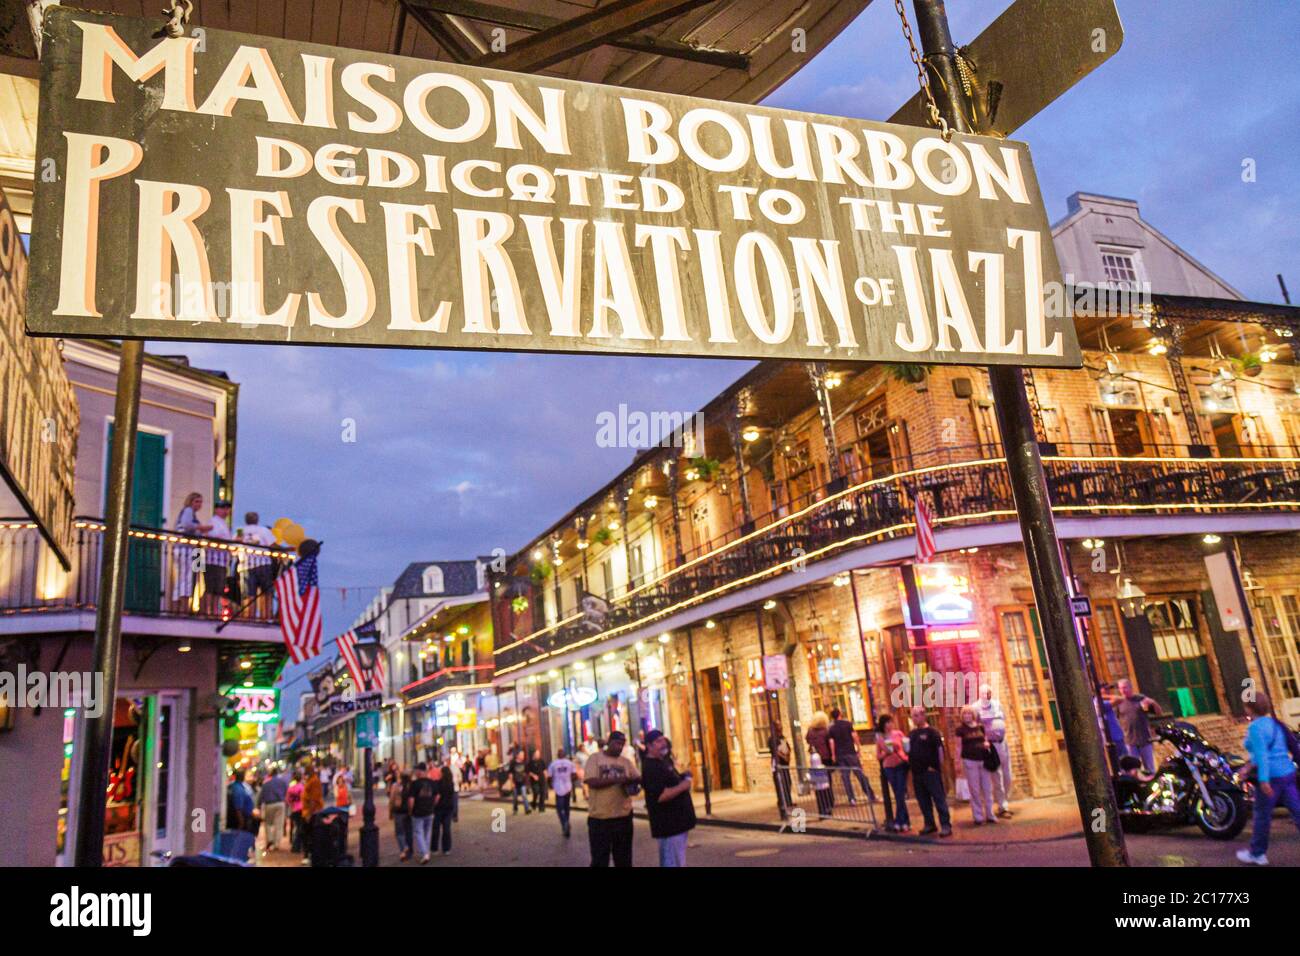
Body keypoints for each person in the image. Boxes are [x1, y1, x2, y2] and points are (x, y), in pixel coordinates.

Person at [1237, 692, 1300, 865]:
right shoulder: (1274, 723)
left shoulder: (1255, 728)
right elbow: (1273, 750)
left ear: (1249, 708)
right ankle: (1257, 852)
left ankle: (1257, 853)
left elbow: (1263, 755)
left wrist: (1263, 779)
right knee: (1297, 811)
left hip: (1271, 776)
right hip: (1287, 773)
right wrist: (1249, 766)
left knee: (1262, 815)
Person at [584, 731, 639, 867]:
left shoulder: (626, 762)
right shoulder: (595, 758)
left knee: (624, 859)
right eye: (617, 743)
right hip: (600, 819)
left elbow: (637, 778)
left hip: (623, 817)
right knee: (600, 859)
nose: (620, 747)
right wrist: (617, 779)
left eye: (622, 744)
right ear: (609, 743)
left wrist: (633, 785)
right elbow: (592, 781)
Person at [641, 730, 696, 867]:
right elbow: (660, 796)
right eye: (658, 741)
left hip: (678, 823)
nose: (663, 743)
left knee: (678, 861)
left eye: (663, 740)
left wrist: (683, 777)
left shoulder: (663, 761)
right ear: (649, 746)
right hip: (669, 825)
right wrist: (683, 786)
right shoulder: (650, 767)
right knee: (672, 862)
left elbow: (671, 781)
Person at [908, 706, 952, 837]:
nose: (914, 718)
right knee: (923, 800)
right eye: (913, 716)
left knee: (938, 799)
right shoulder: (912, 734)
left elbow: (940, 751)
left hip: (930, 771)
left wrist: (937, 767)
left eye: (916, 715)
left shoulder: (932, 732)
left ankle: (945, 825)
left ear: (923, 715)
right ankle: (929, 824)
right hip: (917, 772)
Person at [956, 706, 997, 826]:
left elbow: (985, 739)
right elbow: (958, 747)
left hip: (983, 760)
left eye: (969, 714)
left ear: (973, 715)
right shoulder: (960, 730)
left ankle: (990, 814)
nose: (967, 716)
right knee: (974, 790)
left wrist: (986, 744)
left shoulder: (980, 727)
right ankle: (978, 816)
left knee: (987, 788)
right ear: (962, 716)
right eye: (965, 714)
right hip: (970, 761)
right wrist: (957, 763)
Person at [977, 686, 1013, 819]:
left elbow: (1003, 719)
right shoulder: (976, 708)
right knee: (997, 776)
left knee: (1008, 774)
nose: (987, 695)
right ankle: (1002, 806)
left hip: (1002, 742)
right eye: (984, 693)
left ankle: (1004, 801)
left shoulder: (997, 704)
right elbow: (976, 727)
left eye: (989, 693)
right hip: (991, 746)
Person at [1111, 679, 1160, 772]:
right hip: (1129, 741)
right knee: (1133, 770)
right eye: (1121, 688)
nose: (1123, 690)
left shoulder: (1141, 699)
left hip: (1145, 739)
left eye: (1125, 688)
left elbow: (1158, 713)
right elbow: (1116, 720)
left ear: (1131, 687)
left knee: (1149, 768)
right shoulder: (1118, 703)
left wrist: (1153, 702)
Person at [827, 707, 871, 806]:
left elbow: (831, 742)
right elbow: (854, 736)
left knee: (846, 778)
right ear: (840, 714)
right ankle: (870, 795)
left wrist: (833, 755)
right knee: (860, 774)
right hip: (851, 753)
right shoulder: (847, 724)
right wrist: (859, 749)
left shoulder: (832, 728)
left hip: (840, 755)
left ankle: (851, 799)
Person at [875, 713, 910, 833]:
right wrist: (886, 753)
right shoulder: (880, 738)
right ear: (883, 725)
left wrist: (903, 752)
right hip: (888, 767)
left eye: (891, 722)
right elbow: (878, 756)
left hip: (900, 764)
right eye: (887, 722)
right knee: (897, 793)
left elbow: (906, 747)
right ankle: (904, 821)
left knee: (900, 792)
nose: (890, 725)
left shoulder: (898, 734)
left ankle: (899, 821)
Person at [237, 511, 277, 613]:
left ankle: (250, 616)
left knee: (249, 594)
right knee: (266, 593)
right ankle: (266, 616)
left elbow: (234, 548)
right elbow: (272, 545)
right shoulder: (263, 530)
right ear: (257, 520)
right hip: (263, 564)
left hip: (245, 565)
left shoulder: (240, 531)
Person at [201, 499, 235, 615]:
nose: (226, 511)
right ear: (217, 509)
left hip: (221, 561)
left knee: (218, 589)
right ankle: (207, 611)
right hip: (212, 560)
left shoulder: (223, 524)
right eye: (223, 508)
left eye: (227, 509)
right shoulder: (213, 522)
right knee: (210, 587)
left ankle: (215, 611)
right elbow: (211, 537)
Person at [407, 762, 438, 864]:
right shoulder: (432, 783)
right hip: (429, 811)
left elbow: (411, 800)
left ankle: (425, 853)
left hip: (418, 812)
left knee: (418, 832)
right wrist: (433, 805)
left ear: (420, 771)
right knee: (427, 833)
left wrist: (410, 811)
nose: (416, 772)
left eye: (417, 771)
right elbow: (437, 796)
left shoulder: (415, 784)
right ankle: (426, 852)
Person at [804, 711, 835, 811]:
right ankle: (829, 802)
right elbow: (829, 743)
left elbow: (807, 740)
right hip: (825, 758)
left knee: (818, 784)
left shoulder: (810, 731)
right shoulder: (826, 731)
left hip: (815, 759)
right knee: (827, 782)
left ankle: (822, 806)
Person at [547, 748, 578, 838]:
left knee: (559, 808)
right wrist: (569, 780)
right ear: (565, 754)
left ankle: (564, 823)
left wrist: (550, 785)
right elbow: (575, 775)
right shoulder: (570, 763)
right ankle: (566, 822)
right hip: (568, 787)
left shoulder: (553, 764)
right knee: (566, 807)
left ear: (557, 754)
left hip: (558, 787)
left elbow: (549, 776)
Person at [257, 765, 289, 853]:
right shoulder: (282, 782)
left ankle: (270, 841)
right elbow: (287, 793)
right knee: (278, 824)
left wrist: (258, 806)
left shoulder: (266, 783)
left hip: (269, 804)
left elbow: (261, 796)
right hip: (280, 803)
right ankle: (276, 844)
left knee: (268, 823)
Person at [768, 720, 794, 820]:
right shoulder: (772, 739)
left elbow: (788, 748)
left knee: (788, 783)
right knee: (780, 786)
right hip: (778, 766)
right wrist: (783, 756)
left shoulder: (782, 737)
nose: (781, 727)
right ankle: (782, 807)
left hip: (785, 765)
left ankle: (788, 801)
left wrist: (788, 756)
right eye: (779, 726)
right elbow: (775, 751)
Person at [299, 763, 324, 865]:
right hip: (307, 811)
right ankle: (308, 854)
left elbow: (314, 799)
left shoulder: (314, 781)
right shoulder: (310, 780)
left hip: (312, 813)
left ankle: (310, 855)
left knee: (309, 835)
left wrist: (309, 813)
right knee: (306, 834)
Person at [431, 759, 457, 856]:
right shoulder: (451, 784)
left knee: (436, 828)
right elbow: (452, 797)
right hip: (448, 809)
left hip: (439, 808)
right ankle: (446, 848)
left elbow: (437, 797)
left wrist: (433, 806)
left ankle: (434, 848)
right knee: (446, 829)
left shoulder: (437, 783)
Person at [390, 770, 413, 862]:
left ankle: (403, 849)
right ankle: (409, 850)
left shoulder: (396, 786)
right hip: (408, 811)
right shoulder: (411, 786)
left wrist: (390, 812)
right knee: (408, 831)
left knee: (399, 832)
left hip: (398, 811)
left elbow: (392, 800)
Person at [508, 747, 531, 814]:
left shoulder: (525, 763)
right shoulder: (513, 763)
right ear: (517, 755)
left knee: (524, 795)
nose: (523, 756)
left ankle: (527, 809)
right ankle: (515, 809)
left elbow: (527, 772)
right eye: (521, 755)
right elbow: (510, 774)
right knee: (515, 797)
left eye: (523, 755)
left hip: (522, 782)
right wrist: (512, 783)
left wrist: (527, 779)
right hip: (515, 782)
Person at [286, 770, 305, 854]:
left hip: (294, 809)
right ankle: (297, 846)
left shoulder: (290, 788)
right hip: (301, 809)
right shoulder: (301, 787)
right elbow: (304, 798)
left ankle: (296, 845)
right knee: (300, 828)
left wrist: (292, 804)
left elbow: (288, 799)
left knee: (296, 827)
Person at [527, 747, 548, 813]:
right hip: (534, 781)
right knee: (536, 792)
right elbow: (528, 772)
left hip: (542, 779)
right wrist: (533, 775)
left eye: (539, 754)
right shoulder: (530, 763)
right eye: (537, 754)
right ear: (534, 755)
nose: (538, 755)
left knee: (542, 793)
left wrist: (546, 777)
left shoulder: (542, 761)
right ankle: (533, 803)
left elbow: (544, 770)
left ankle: (541, 807)